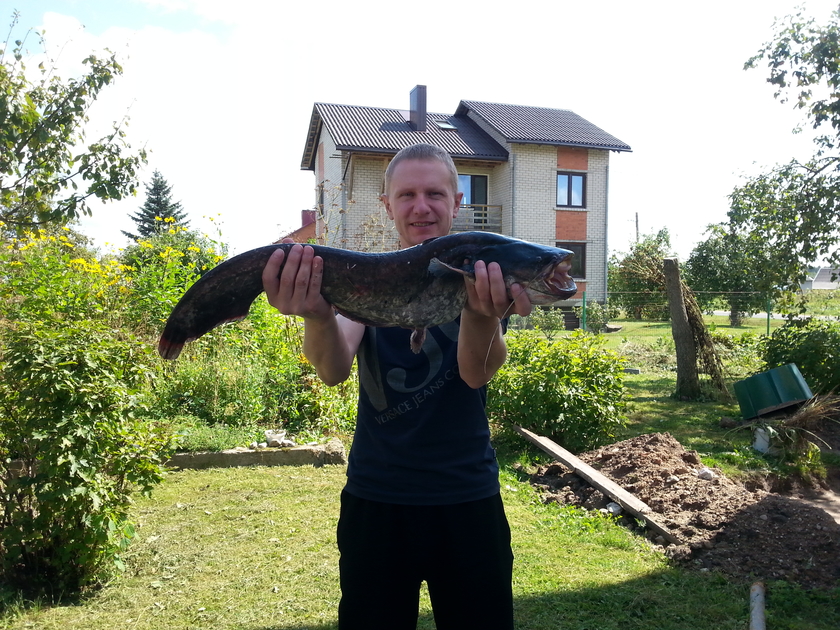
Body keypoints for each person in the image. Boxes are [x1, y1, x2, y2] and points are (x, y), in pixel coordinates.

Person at [261, 143, 532, 629]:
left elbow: (476, 372)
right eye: (406, 194)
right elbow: (332, 368)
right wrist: (318, 315)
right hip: (377, 500)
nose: (421, 206)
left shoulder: (484, 276)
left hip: (466, 500)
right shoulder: (369, 279)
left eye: (434, 193)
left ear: (456, 201)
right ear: (387, 204)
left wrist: (482, 312)